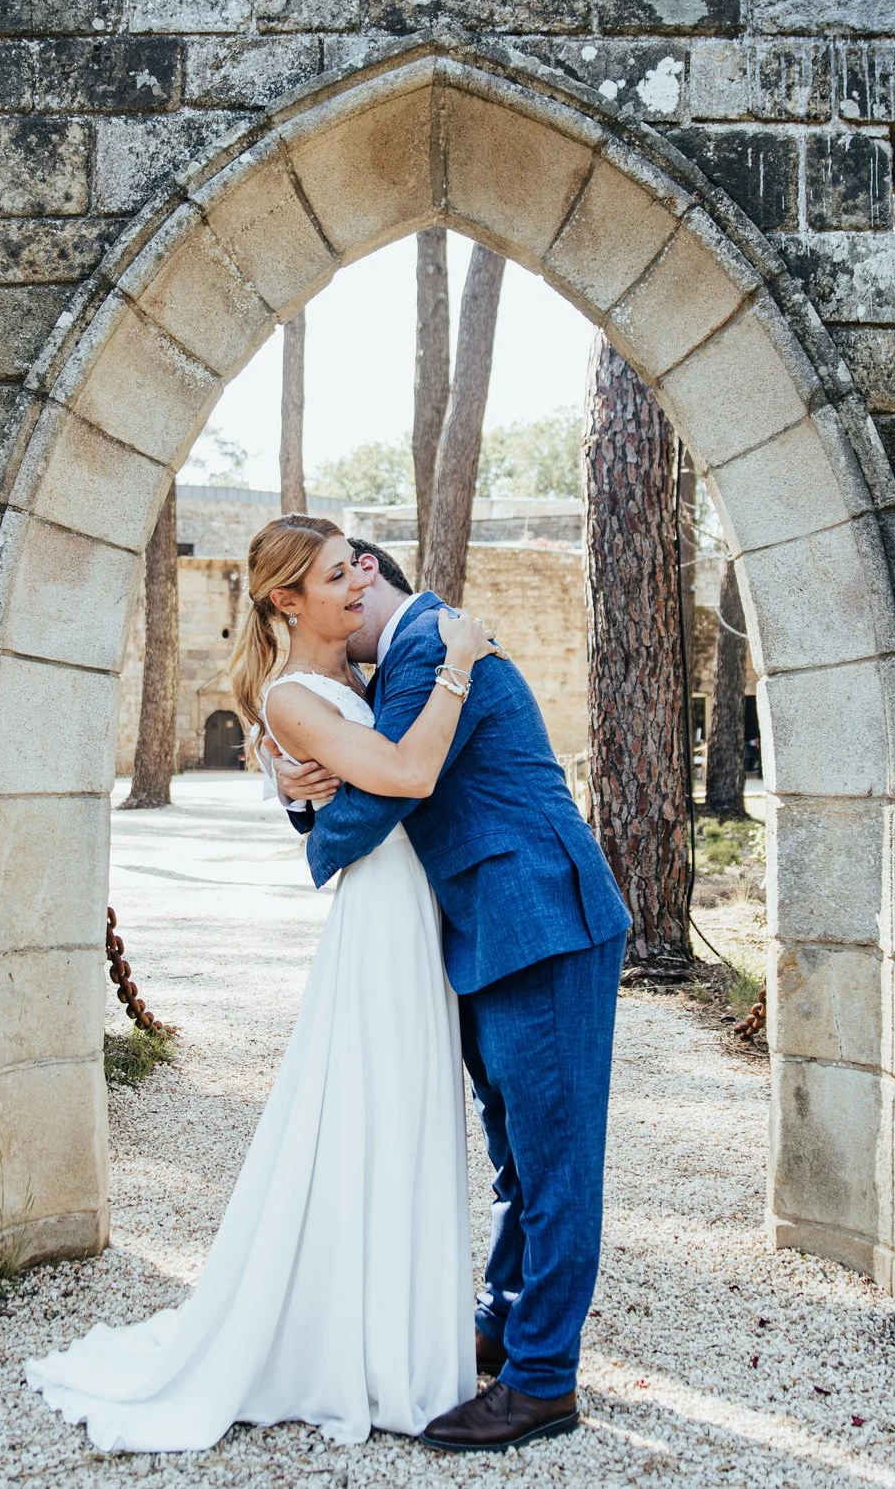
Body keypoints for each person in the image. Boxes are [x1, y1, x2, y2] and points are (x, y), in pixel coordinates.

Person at [26, 516, 504, 1451]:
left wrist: (292, 789)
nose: (360, 583)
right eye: (336, 576)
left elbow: (361, 784)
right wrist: (461, 659)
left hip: (411, 908)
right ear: (287, 599)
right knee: (374, 1110)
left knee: (402, 1113)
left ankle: (392, 1335)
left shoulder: (348, 681)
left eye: (356, 568)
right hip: (379, 919)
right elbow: (407, 772)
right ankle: (357, 1351)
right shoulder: (293, 699)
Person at [274, 524, 631, 1453]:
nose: (344, 607)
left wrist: (311, 830)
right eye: (331, 586)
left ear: (371, 581)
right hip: (490, 926)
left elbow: (390, 792)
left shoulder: (430, 644)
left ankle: (544, 1381)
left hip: (541, 921)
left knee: (553, 1163)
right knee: (516, 1150)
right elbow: (371, 777)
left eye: (351, 587)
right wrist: (295, 780)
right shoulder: (405, 658)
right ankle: (506, 1321)